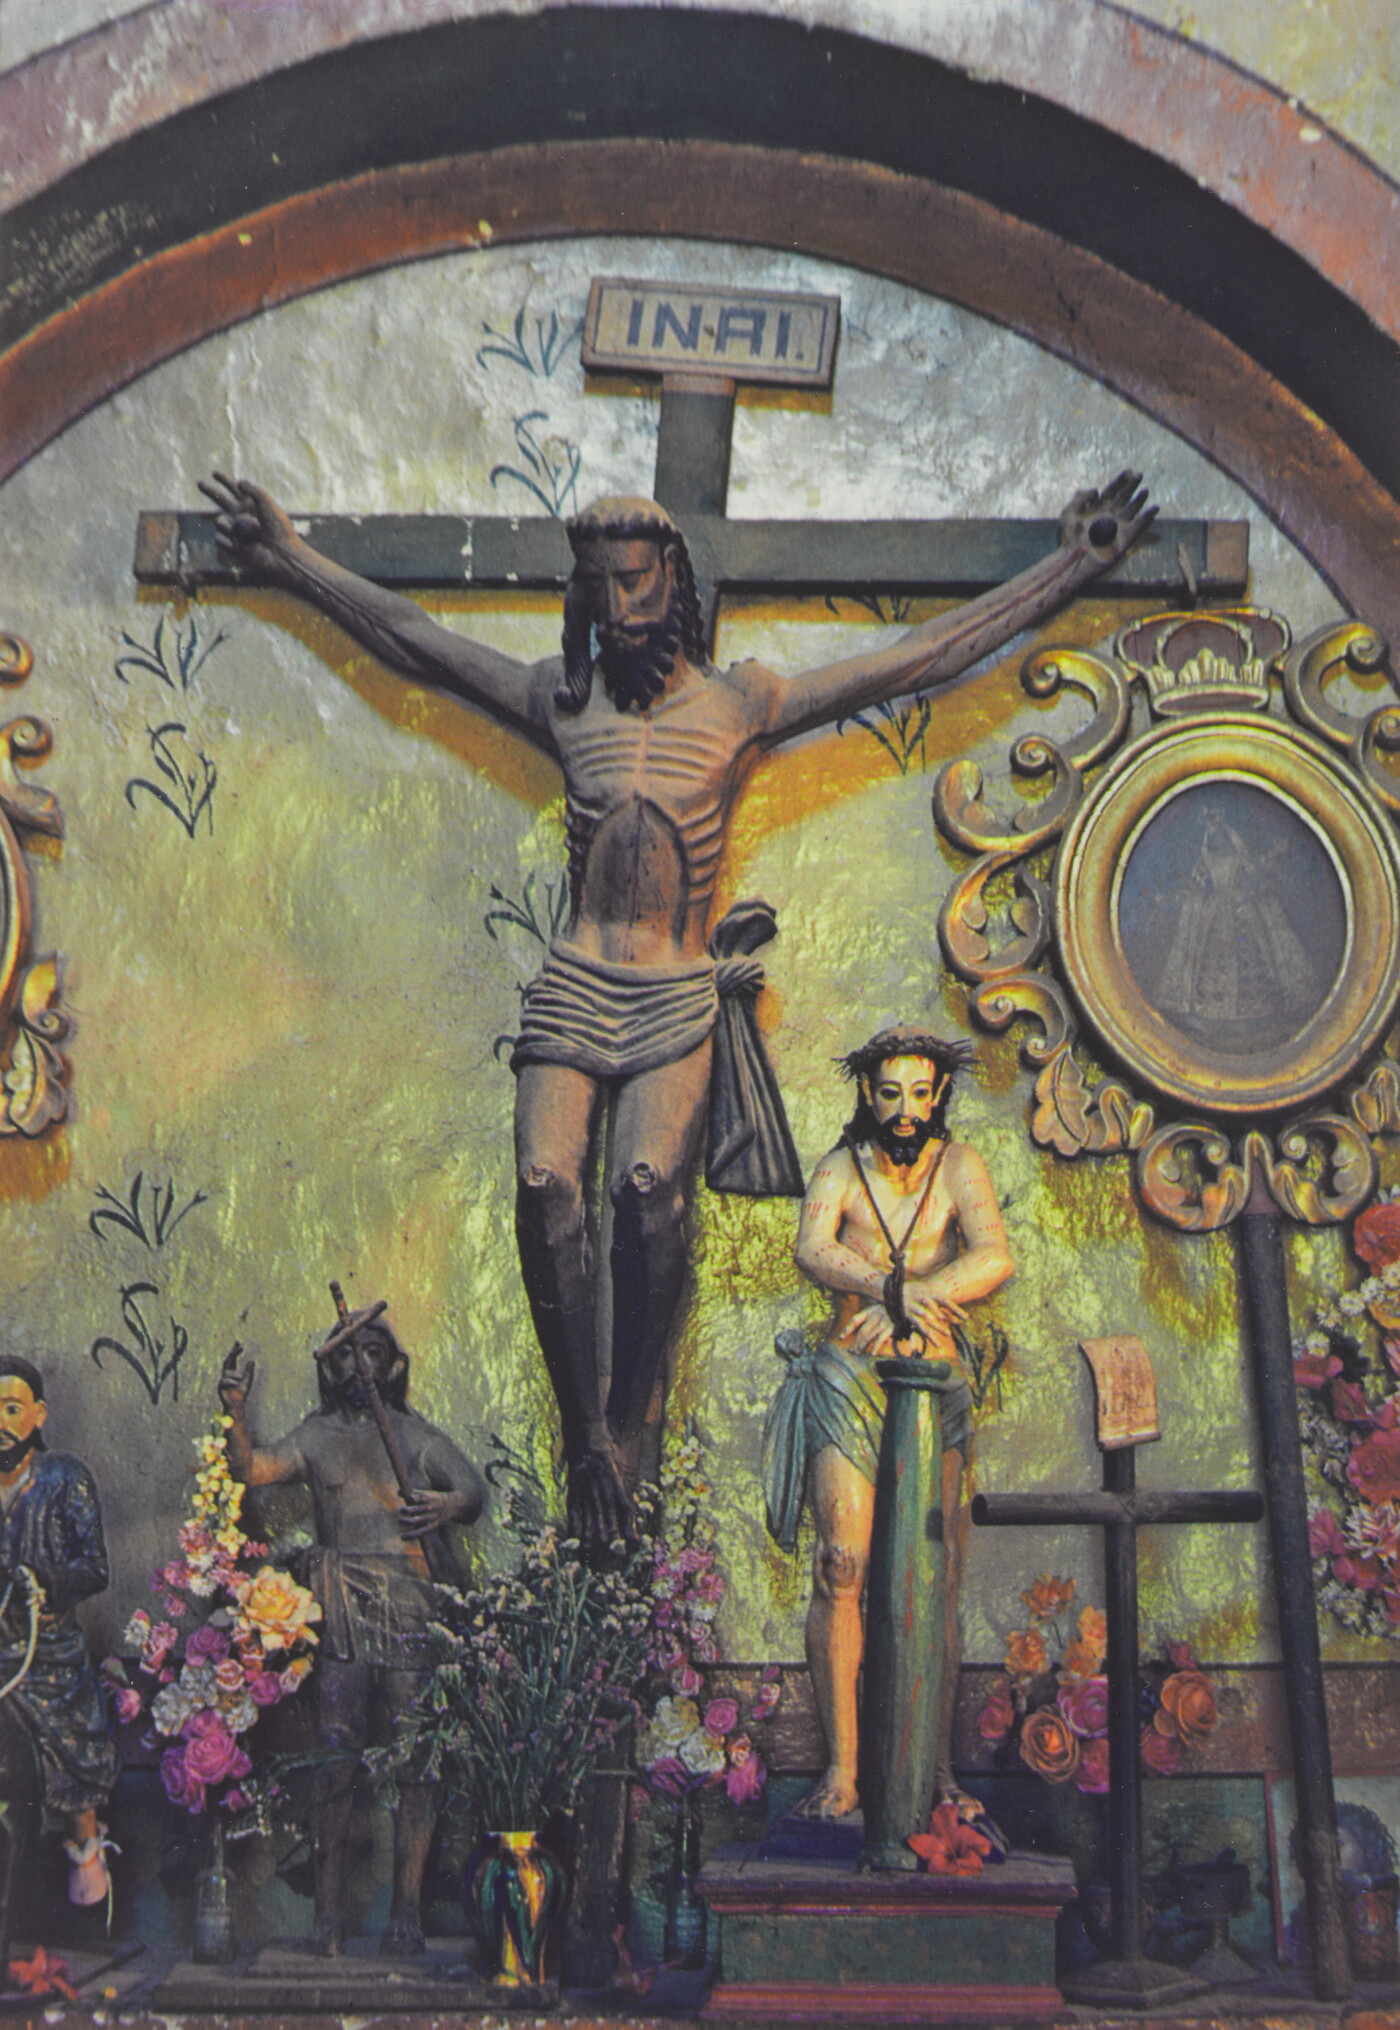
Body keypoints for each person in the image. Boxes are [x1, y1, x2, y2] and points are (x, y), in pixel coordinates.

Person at [200, 471, 1149, 1550]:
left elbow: (913, 656)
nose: (618, 608)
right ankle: (582, 1431)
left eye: (636, 582)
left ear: (673, 584)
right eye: (599, 587)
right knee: (544, 1181)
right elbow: (415, 640)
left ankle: (625, 1411)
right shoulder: (562, 705)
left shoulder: (739, 702)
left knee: (647, 1189)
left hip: (673, 987)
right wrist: (286, 557)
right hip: (574, 977)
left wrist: (1071, 565)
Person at [762, 1028, 1013, 1820]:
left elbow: (994, 1255)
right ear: (868, 1095)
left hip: (935, 1382)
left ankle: (936, 1775)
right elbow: (812, 1247)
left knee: (932, 1581)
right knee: (842, 1562)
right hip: (850, 1377)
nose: (904, 1111)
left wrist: (916, 1301)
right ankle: (842, 1773)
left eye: (919, 1094)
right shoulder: (841, 1169)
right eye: (889, 1094)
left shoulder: (960, 1167)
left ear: (937, 1096)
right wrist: (884, 1290)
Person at [218, 1309, 484, 1957]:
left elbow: (472, 1491)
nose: (357, 1366)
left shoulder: (415, 1437)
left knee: (416, 1752)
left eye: (370, 1352)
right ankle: (327, 1919)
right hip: (339, 1605)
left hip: (410, 1603)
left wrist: (444, 1506)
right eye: (344, 1355)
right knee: (335, 1750)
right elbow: (249, 1470)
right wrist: (234, 1410)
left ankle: (408, 1915)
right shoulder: (317, 1436)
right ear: (328, 1367)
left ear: (391, 1365)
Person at [0, 1357, 118, 1905]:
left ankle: (85, 1845)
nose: (1, 1420)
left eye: (12, 1408)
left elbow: (94, 1567)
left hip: (46, 1653)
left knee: (74, 1739)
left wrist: (46, 1583)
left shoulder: (65, 1479)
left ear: (37, 1416)